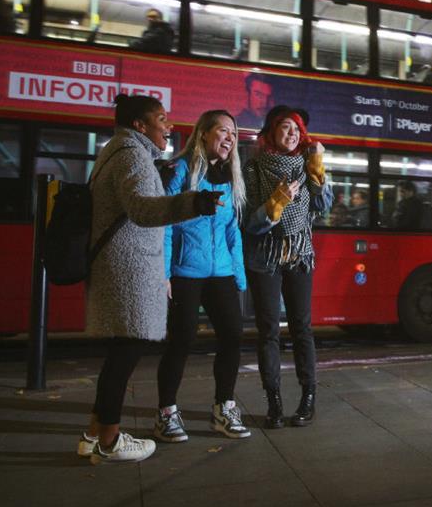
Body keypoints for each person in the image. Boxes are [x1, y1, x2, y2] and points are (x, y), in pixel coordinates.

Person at [77, 94, 221, 464]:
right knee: (125, 354)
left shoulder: (120, 151)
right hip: (130, 269)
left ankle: (94, 433)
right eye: (161, 119)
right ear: (140, 125)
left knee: (121, 353)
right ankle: (109, 440)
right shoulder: (132, 155)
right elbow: (142, 209)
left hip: (124, 266)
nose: (169, 126)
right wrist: (193, 202)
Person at [154, 110, 251, 443]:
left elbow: (232, 232)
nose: (229, 138)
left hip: (220, 271)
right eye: (223, 131)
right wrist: (164, 273)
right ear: (204, 134)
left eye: (234, 134)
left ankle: (224, 408)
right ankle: (167, 413)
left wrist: (238, 277)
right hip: (185, 270)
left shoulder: (231, 175)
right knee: (181, 340)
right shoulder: (182, 170)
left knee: (233, 336)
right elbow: (165, 223)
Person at [243, 105, 332, 428]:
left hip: (299, 254)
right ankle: (274, 401)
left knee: (301, 328)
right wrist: (275, 204)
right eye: (285, 127)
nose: (292, 133)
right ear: (270, 132)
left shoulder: (308, 165)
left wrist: (319, 169)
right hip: (264, 256)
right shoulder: (253, 168)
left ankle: (308, 397)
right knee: (268, 331)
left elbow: (323, 206)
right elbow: (250, 224)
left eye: (296, 129)